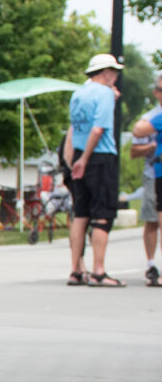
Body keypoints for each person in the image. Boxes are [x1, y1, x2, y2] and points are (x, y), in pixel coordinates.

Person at [65, 52, 125, 286]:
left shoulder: (78, 94)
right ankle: (99, 270)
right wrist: (86, 158)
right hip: (99, 156)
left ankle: (76, 269)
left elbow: (75, 128)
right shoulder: (105, 93)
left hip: (79, 153)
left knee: (81, 214)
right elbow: (98, 129)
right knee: (102, 214)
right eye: (115, 72)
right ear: (106, 72)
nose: (116, 76)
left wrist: (76, 160)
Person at [130, 72, 162, 287]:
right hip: (154, 172)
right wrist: (151, 147)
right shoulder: (151, 117)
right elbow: (135, 143)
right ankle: (151, 264)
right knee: (153, 220)